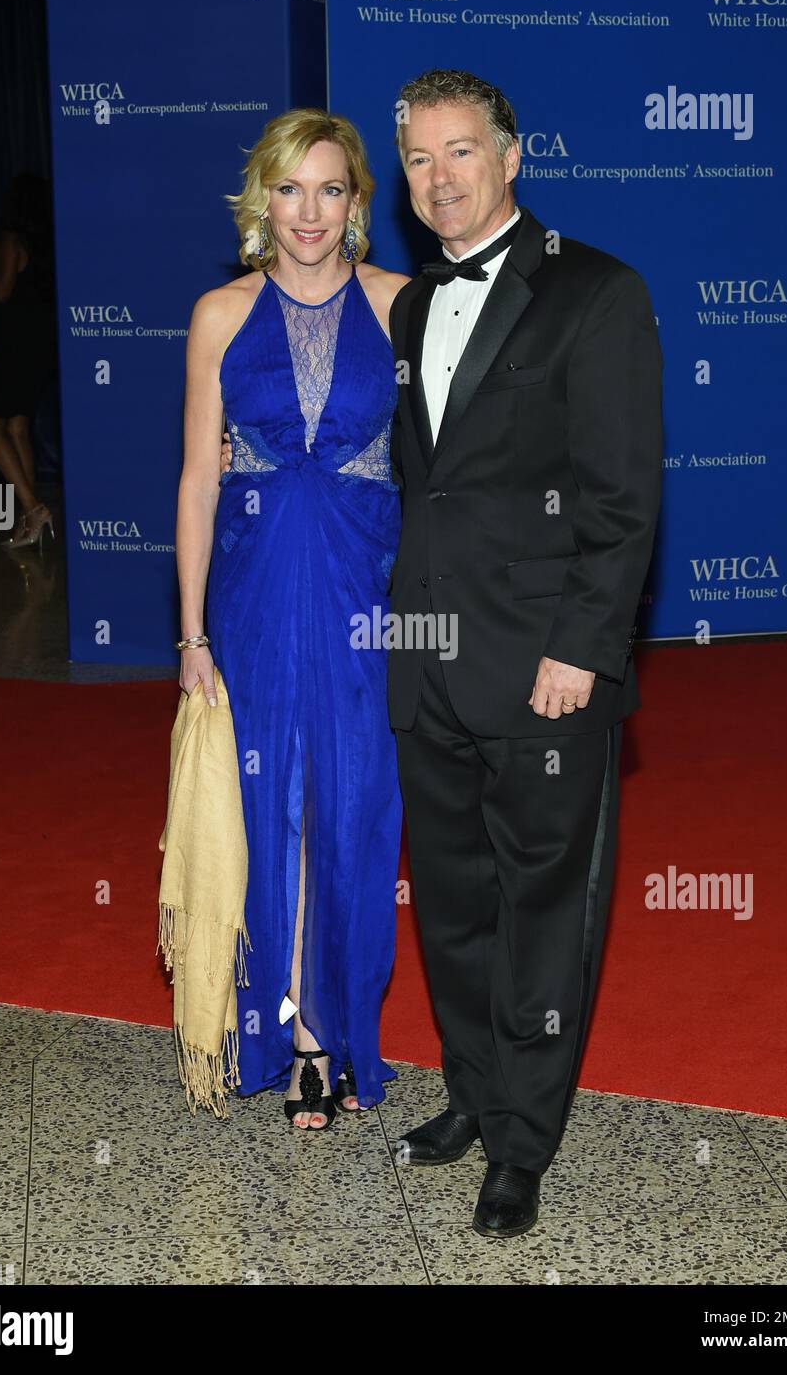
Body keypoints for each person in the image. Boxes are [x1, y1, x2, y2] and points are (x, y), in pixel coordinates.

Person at [386, 70, 664, 1237]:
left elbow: (622, 500)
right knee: (450, 902)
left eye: (460, 152)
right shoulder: (408, 308)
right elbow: (428, 491)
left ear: (511, 156)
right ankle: (470, 1090)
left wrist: (581, 652)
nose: (438, 179)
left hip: (544, 667)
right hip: (428, 657)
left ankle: (524, 1142)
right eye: (416, 159)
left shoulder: (596, 292)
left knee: (542, 907)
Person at [178, 109, 409, 1130]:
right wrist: (190, 639)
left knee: (353, 803)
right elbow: (194, 480)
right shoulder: (219, 315)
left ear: (358, 204)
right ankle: (291, 1034)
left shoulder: (404, 306)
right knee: (269, 803)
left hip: (368, 585)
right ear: (259, 201)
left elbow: (449, 465)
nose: (308, 212)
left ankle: (336, 1025)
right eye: (289, 189)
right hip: (260, 584)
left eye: (330, 190)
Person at [0, 172, 58, 550]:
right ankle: (29, 517)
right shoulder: (45, 242)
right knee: (17, 428)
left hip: (13, 345)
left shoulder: (10, 239)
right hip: (38, 344)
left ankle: (34, 509)